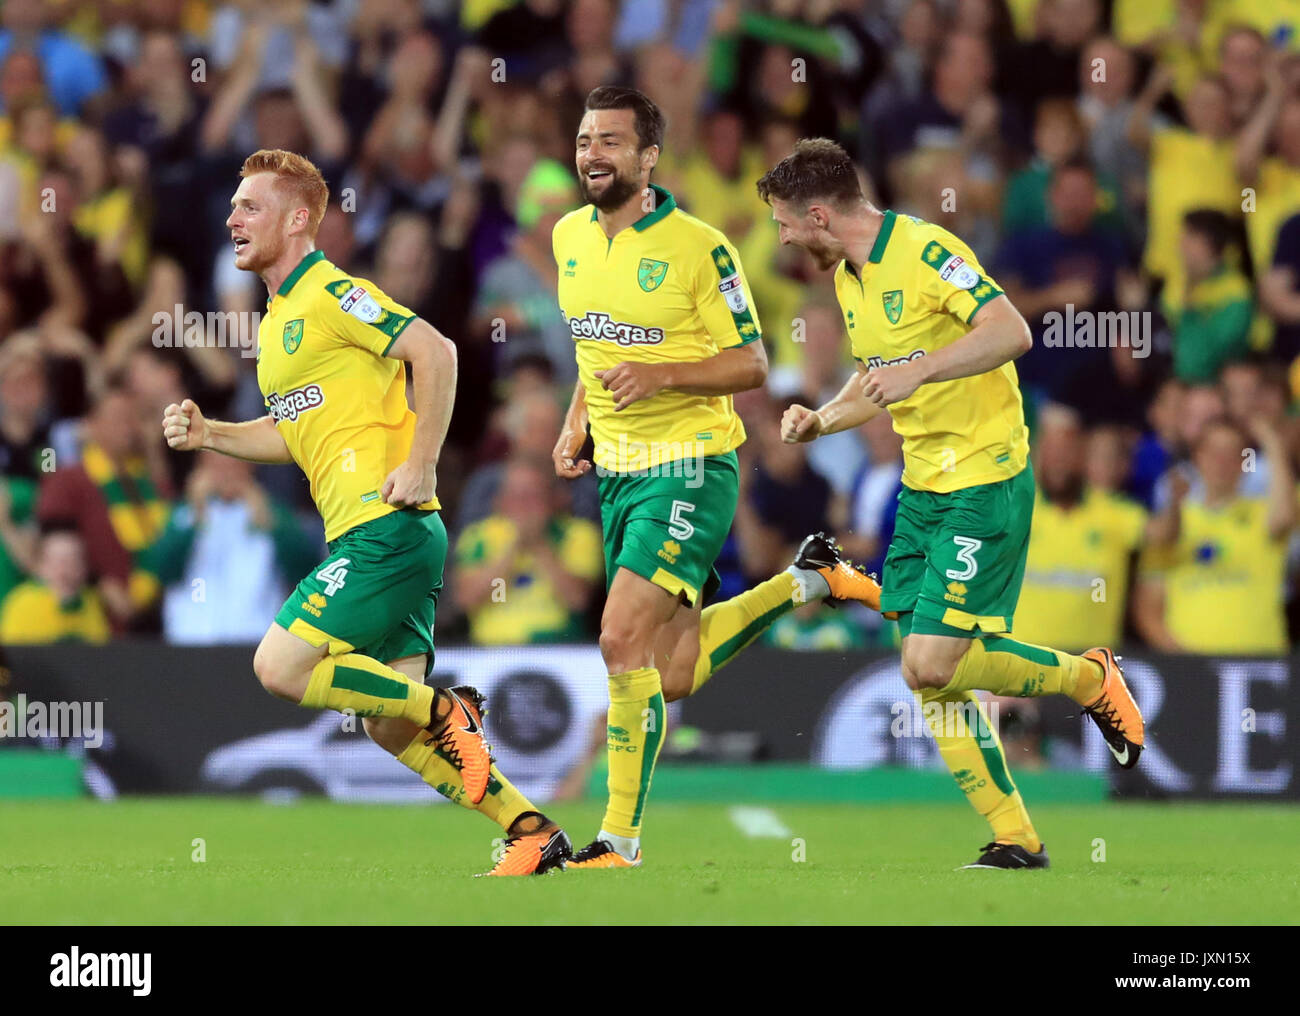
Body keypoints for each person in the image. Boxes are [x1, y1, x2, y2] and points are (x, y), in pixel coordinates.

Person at [160, 148, 569, 876]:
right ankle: (529, 829)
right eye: (232, 205)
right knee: (389, 728)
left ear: (297, 219)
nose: (232, 217)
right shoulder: (281, 318)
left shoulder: (334, 294)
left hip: (386, 528)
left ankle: (444, 709)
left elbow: (435, 351)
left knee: (281, 665)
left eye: (249, 205)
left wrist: (421, 461)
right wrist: (212, 435)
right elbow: (292, 434)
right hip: (384, 538)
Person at [760, 138, 1145, 870]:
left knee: (934, 661)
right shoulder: (849, 277)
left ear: (817, 213)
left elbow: (1012, 330)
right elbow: (876, 378)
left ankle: (1091, 680)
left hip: (984, 476)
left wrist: (923, 367)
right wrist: (820, 419)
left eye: (784, 223)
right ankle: (1016, 839)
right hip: (923, 486)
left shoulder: (928, 250)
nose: (781, 238)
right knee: (922, 669)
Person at [551, 88, 882, 869]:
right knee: (671, 674)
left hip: (691, 467)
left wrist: (663, 376)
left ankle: (618, 842)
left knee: (617, 638)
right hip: (620, 474)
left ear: (648, 157)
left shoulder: (701, 248)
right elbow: (594, 349)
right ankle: (806, 582)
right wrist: (577, 416)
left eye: (610, 142)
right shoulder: (568, 236)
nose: (592, 154)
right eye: (584, 139)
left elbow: (753, 364)